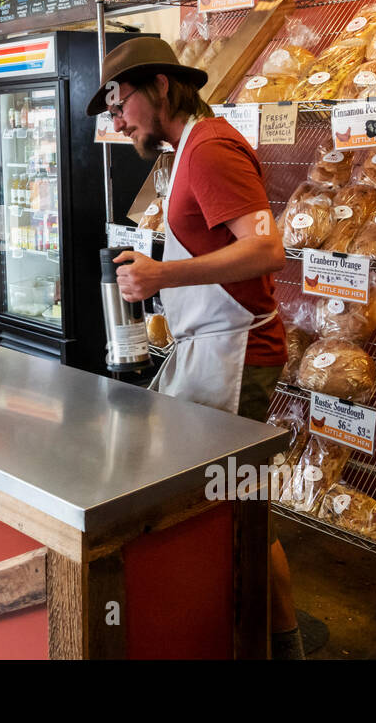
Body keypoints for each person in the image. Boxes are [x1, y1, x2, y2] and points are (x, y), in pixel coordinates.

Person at [86, 37, 304, 660]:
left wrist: (160, 278)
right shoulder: (184, 151)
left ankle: (275, 649)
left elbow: (267, 250)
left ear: (159, 87)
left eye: (119, 101)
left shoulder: (210, 147)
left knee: (238, 519)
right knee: (234, 516)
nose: (117, 119)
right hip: (212, 348)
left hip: (238, 355)